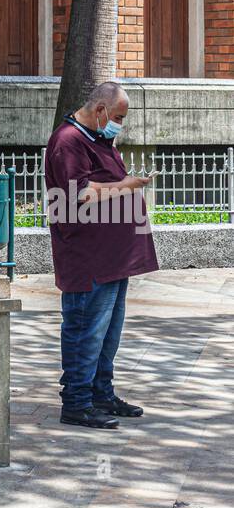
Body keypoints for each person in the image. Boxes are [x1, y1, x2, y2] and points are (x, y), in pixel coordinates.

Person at [44, 81, 158, 430]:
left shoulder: (96, 138)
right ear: (100, 111)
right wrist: (128, 185)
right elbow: (79, 195)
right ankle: (77, 403)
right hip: (88, 259)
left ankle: (101, 393)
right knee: (85, 330)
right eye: (118, 117)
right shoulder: (68, 142)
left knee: (108, 333)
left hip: (112, 260)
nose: (119, 125)